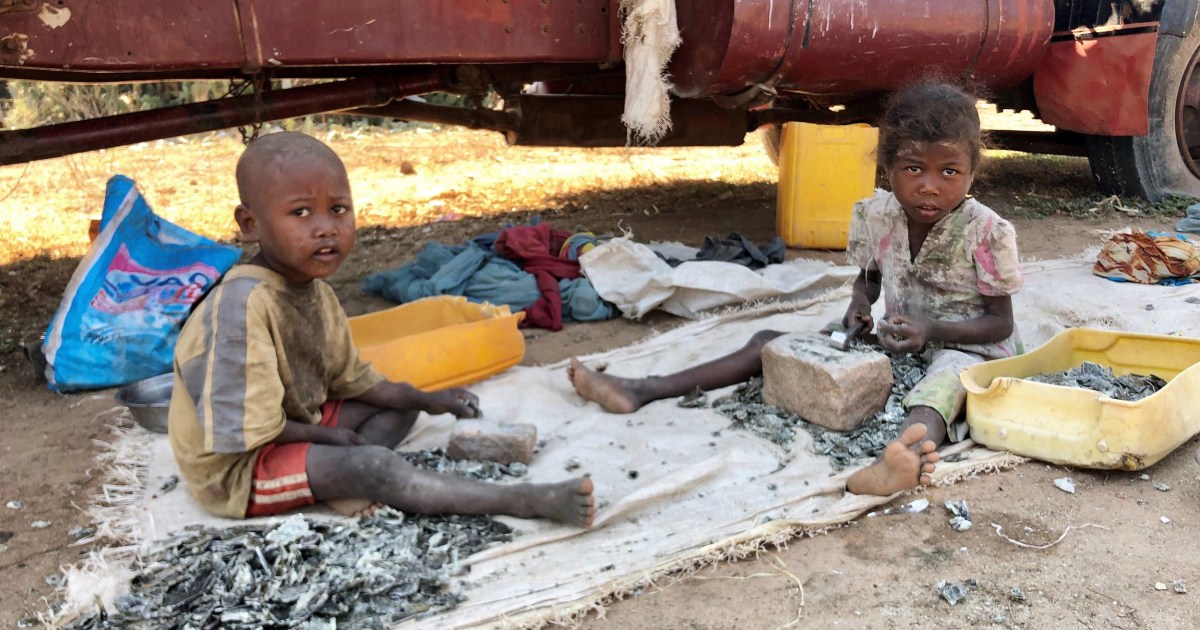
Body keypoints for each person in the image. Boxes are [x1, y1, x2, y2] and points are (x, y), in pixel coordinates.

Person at [568, 81, 1023, 496]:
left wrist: (933, 329)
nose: (929, 187)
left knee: (942, 386)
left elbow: (1000, 324)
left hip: (970, 350)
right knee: (774, 343)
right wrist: (860, 303)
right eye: (913, 168)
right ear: (887, 167)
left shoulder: (987, 232)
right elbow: (870, 277)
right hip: (901, 338)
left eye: (949, 172)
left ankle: (899, 459)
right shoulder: (875, 215)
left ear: (971, 171)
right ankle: (645, 388)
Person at [167, 131, 594, 527]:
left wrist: (431, 399)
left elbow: (354, 381)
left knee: (402, 403)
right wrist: (334, 439)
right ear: (250, 224)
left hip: (297, 420)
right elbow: (248, 430)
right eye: (300, 212)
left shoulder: (315, 294)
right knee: (374, 466)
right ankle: (522, 501)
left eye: (338, 209)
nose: (326, 227)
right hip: (240, 466)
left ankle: (339, 477)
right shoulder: (240, 307)